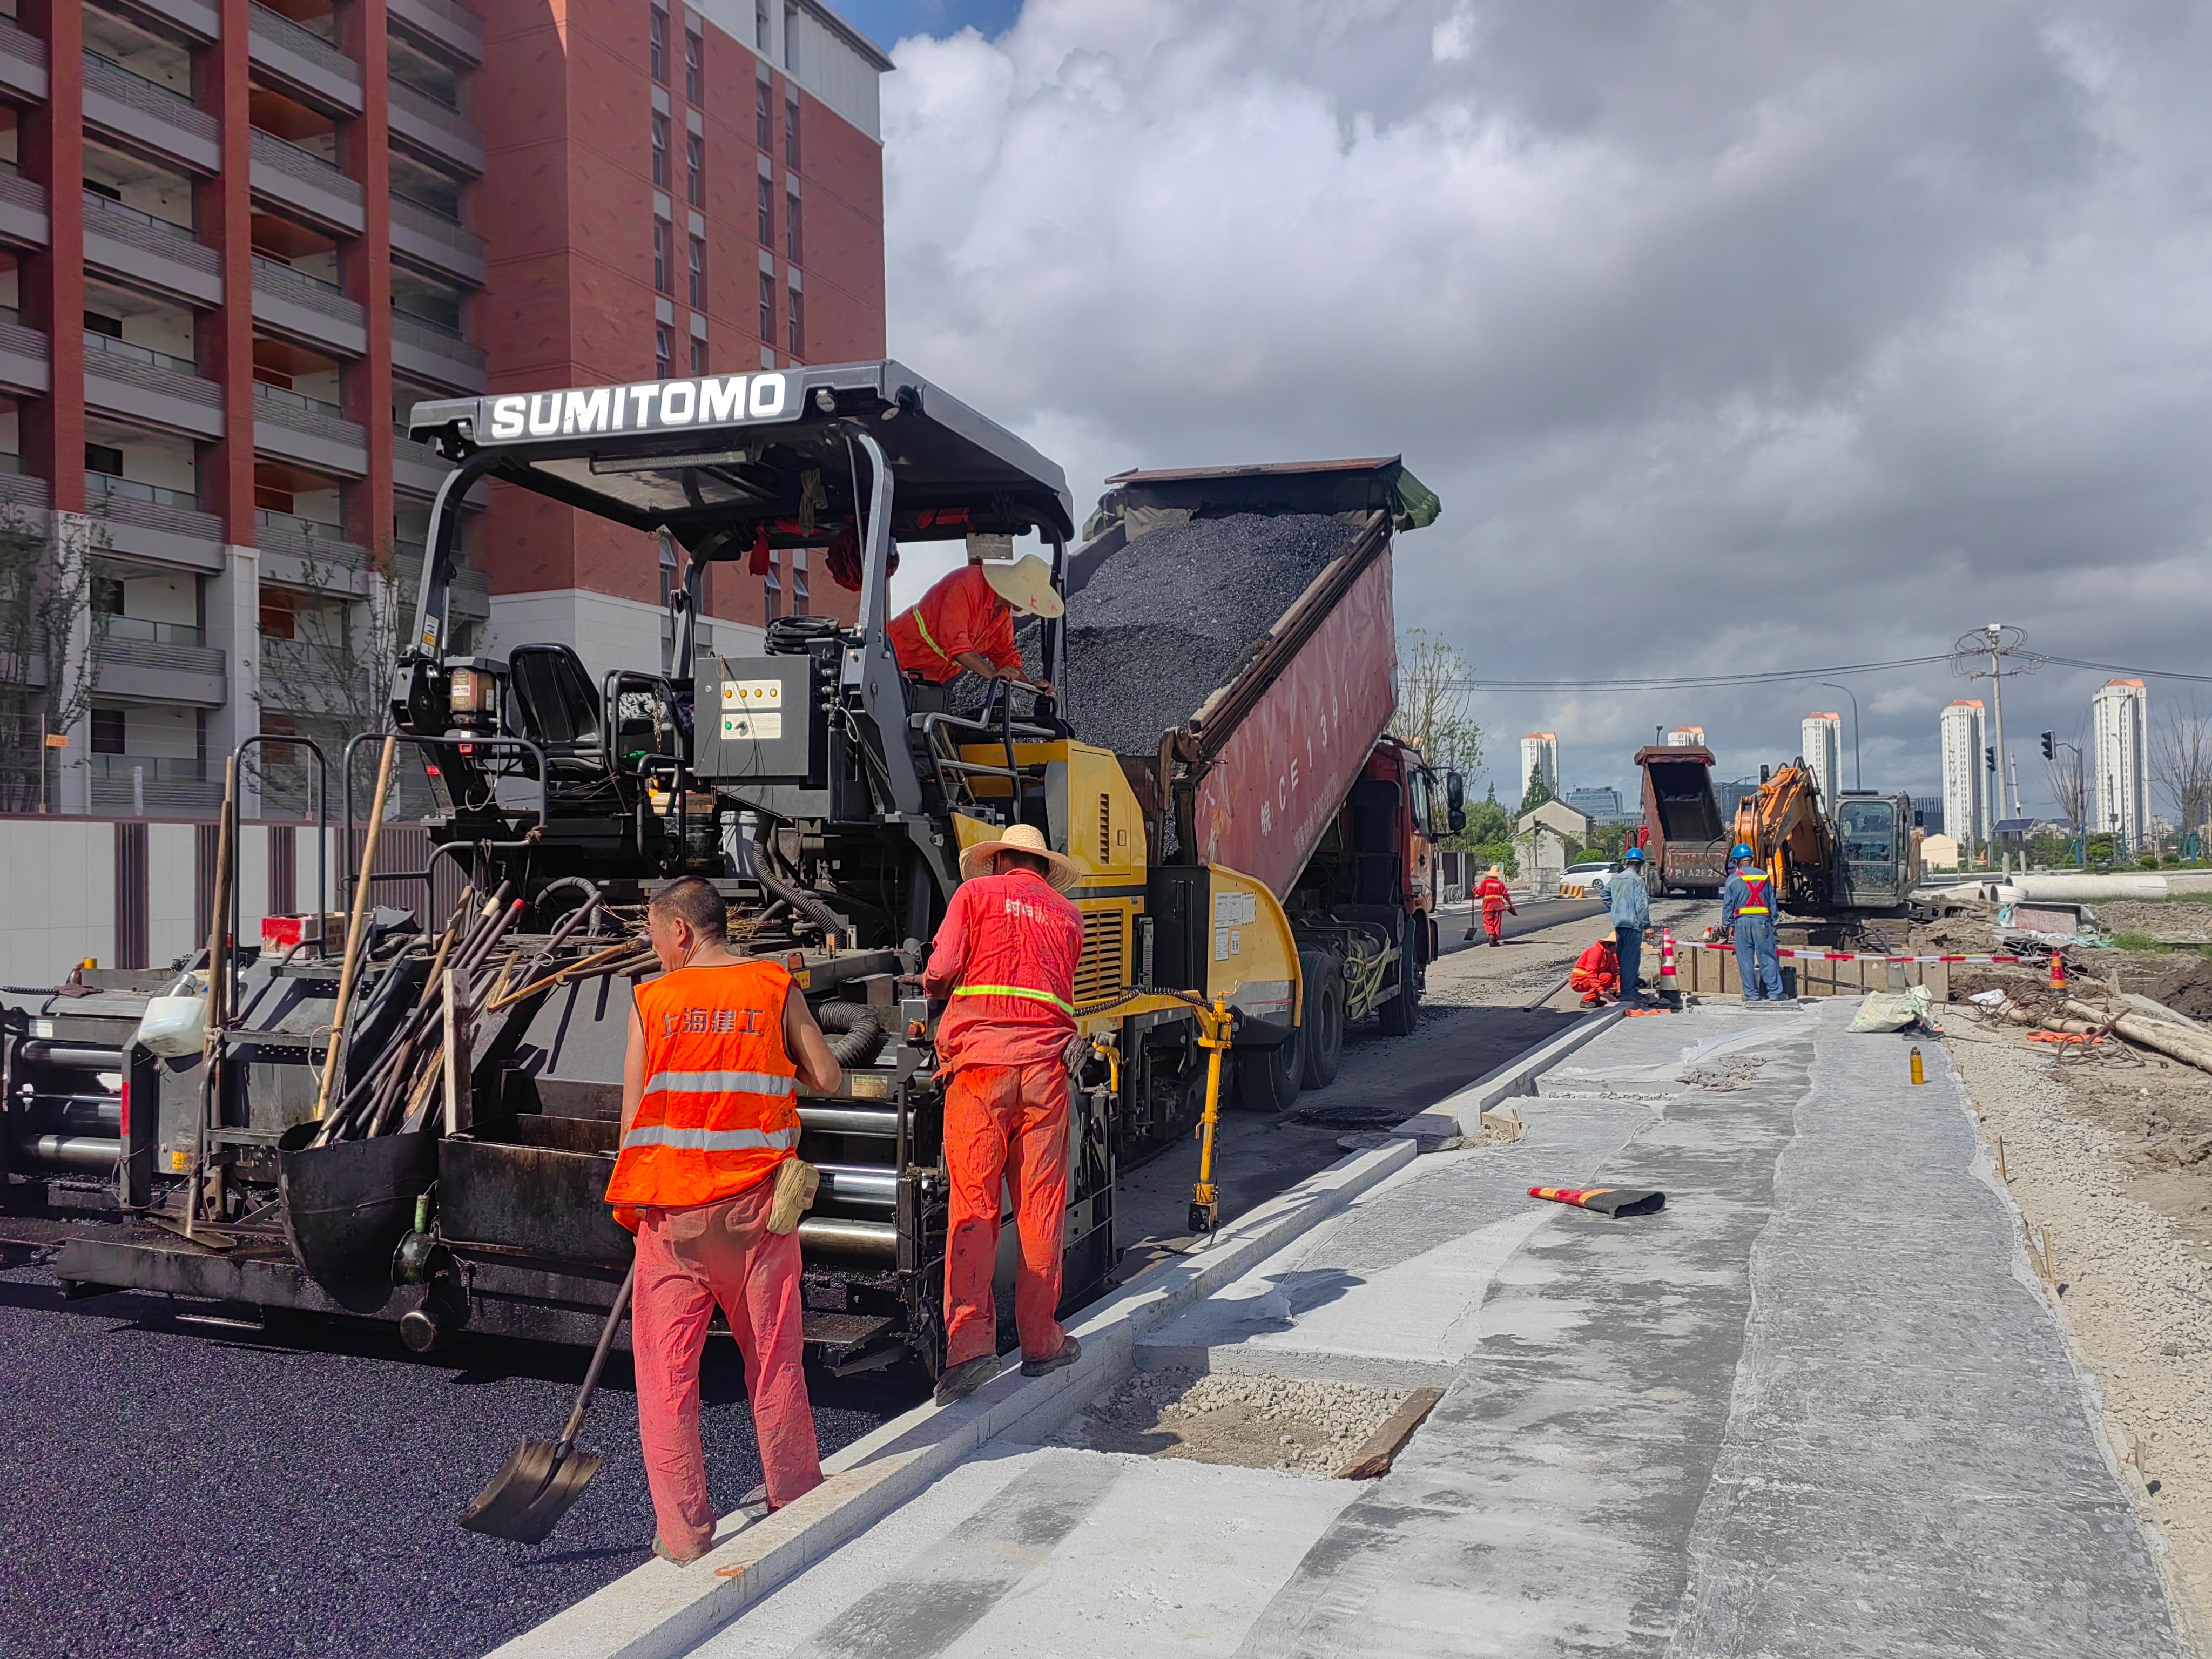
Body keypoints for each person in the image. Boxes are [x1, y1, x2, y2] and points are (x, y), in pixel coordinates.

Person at [608, 876, 844, 1564]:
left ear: (681, 930)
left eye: (654, 933)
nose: (653, 947)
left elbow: (633, 1123)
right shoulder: (772, 986)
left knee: (666, 1381)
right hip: (756, 1214)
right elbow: (828, 1077)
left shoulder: (651, 1001)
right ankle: (793, 1497)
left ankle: (684, 1535)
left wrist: (636, 1212)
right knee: (773, 1362)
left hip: (672, 1217)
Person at [923, 822, 1087, 1404]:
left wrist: (932, 984)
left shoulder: (975, 895)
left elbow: (941, 972)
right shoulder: (1069, 915)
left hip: (981, 1070)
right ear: (1043, 868)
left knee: (975, 1207)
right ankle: (1041, 1341)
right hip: (1045, 1073)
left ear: (999, 861)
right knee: (1040, 1209)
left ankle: (969, 1350)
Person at [887, 554, 1062, 691]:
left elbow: (1005, 657)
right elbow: (957, 647)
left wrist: (1031, 687)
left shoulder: (1002, 616)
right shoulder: (966, 586)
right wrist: (994, 675)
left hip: (925, 679)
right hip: (891, 661)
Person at [1721, 842, 1786, 1002]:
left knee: (1746, 960)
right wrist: (1773, 921)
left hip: (1742, 924)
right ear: (1751, 859)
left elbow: (1728, 905)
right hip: (1762, 923)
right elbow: (1772, 903)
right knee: (1768, 957)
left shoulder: (1732, 879)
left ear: (1736, 861)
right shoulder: (1764, 876)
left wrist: (1729, 925)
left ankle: (1752, 994)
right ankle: (1775, 993)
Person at [1606, 846, 1653, 999]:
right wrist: (1647, 926)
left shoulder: (1616, 879)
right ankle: (1628, 992)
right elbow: (1642, 905)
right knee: (1631, 960)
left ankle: (1627, 990)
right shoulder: (1637, 881)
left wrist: (1616, 908)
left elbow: (1605, 894)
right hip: (1633, 926)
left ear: (1627, 862)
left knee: (1622, 958)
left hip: (1619, 924)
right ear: (1640, 864)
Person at [1465, 864, 1517, 946]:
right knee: (1497, 923)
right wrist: (1511, 905)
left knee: (1488, 921)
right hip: (1499, 905)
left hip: (1488, 905)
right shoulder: (1500, 884)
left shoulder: (1485, 882)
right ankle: (1495, 939)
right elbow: (1506, 896)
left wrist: (1474, 889)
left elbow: (1480, 893)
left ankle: (1491, 933)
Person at [1569, 932, 1621, 1007]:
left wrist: (1618, 990)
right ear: (1609, 945)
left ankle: (1595, 999)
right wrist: (1601, 991)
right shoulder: (1596, 952)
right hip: (1580, 982)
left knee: (1609, 976)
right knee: (1606, 977)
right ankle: (1587, 1000)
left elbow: (1615, 972)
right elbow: (1591, 972)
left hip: (1590, 979)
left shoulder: (1609, 954)